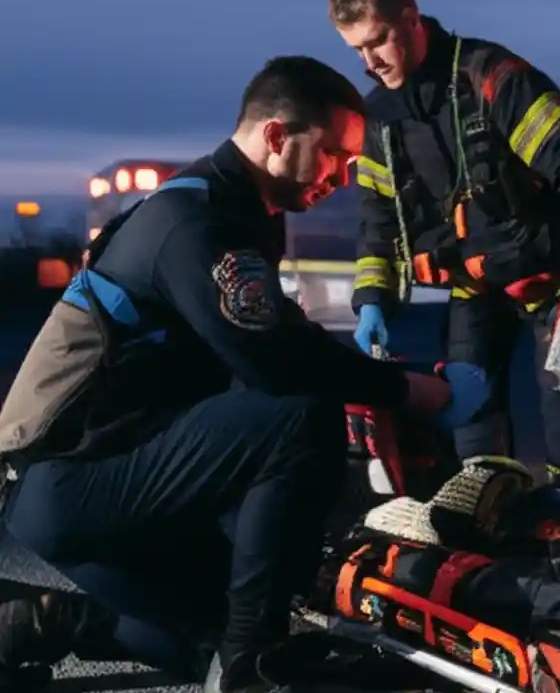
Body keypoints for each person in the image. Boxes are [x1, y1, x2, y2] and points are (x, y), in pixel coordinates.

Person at [0, 56, 488, 693]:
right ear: (278, 137)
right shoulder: (195, 224)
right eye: (335, 156)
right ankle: (251, 666)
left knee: (204, 629)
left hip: (106, 470)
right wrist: (416, 391)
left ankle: (44, 620)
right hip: (70, 481)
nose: (343, 178)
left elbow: (268, 344)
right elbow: (277, 362)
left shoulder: (239, 210)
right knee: (299, 417)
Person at [328, 0, 560, 502]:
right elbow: (378, 221)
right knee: (471, 418)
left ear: (411, 19)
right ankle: (489, 528)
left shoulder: (493, 78)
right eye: (357, 49)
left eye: (377, 41)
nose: (370, 62)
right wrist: (371, 301)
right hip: (473, 286)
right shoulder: (379, 121)